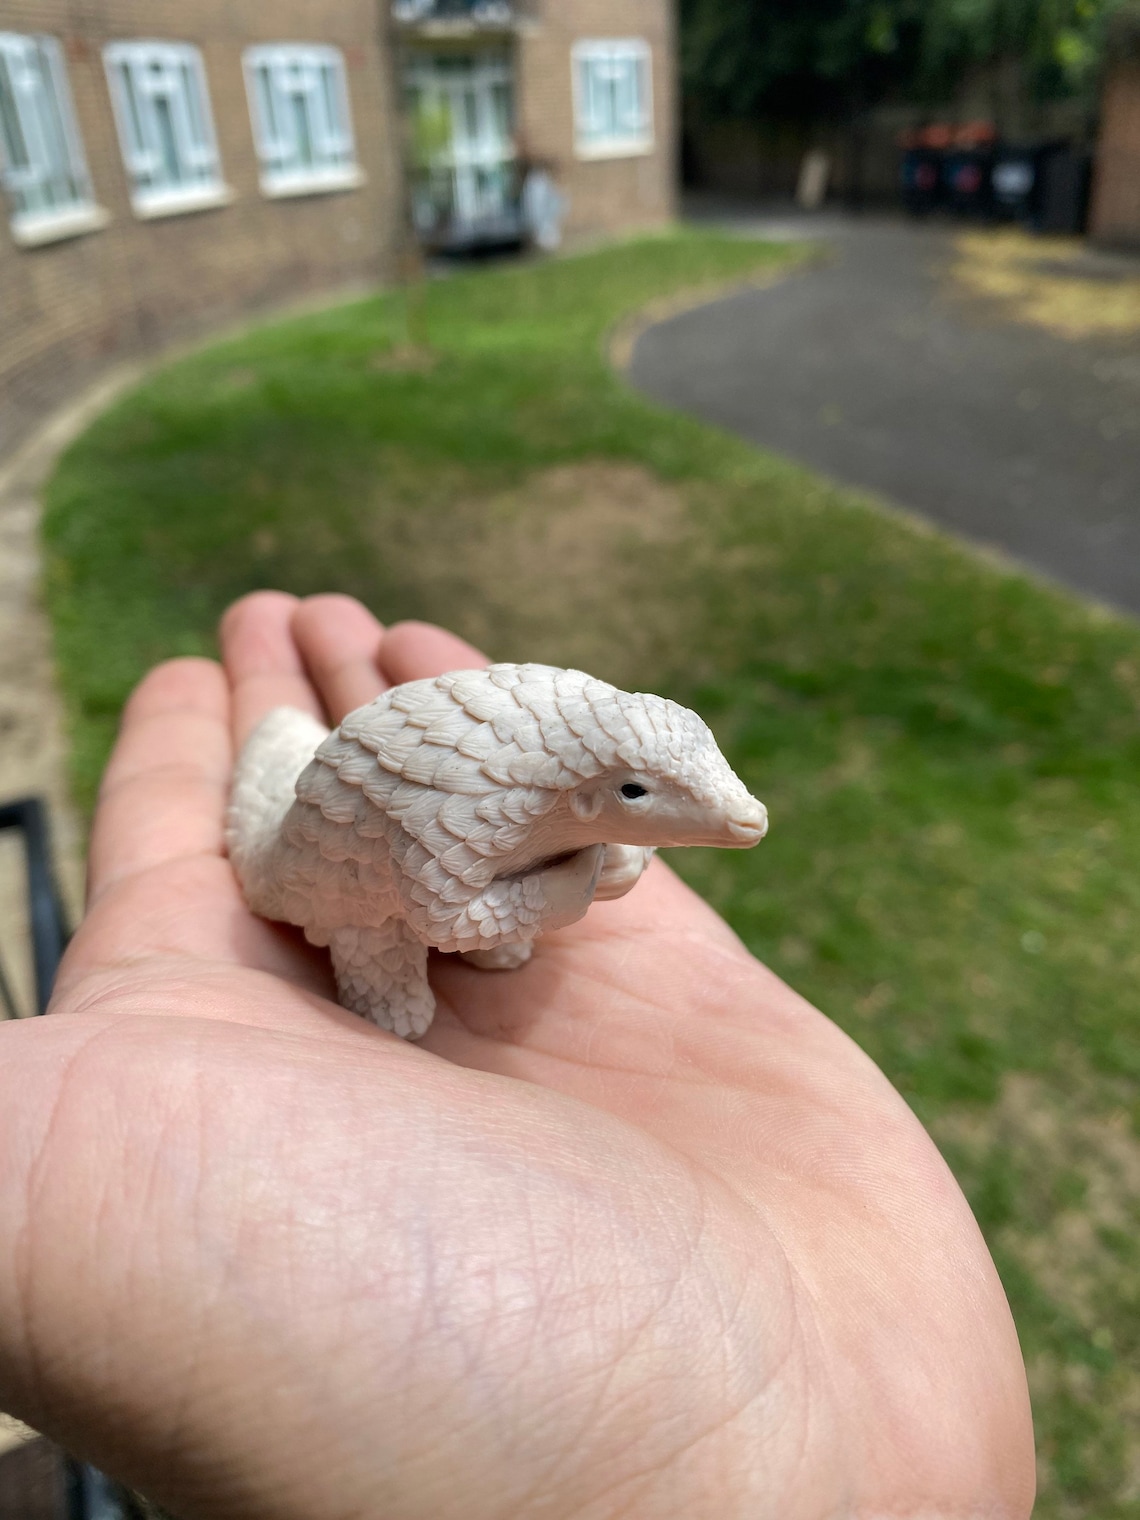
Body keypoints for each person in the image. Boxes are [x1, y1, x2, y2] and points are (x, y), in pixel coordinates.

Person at [0, 592, 1035, 1519]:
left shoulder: (564, 757)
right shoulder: (459, 809)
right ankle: (386, 966)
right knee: (394, 980)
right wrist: (571, 887)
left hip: (486, 843)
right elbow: (443, 904)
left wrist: (589, 865)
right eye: (640, 795)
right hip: (355, 886)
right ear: (595, 790)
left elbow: (562, 855)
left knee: (504, 928)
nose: (733, 810)